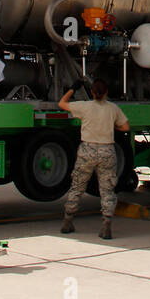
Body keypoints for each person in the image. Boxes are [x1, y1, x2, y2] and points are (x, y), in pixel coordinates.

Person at [57, 78, 130, 240]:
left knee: (77, 186)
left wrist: (72, 89)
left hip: (87, 150)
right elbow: (125, 127)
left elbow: (61, 103)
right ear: (106, 93)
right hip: (106, 150)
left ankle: (68, 221)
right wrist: (112, 126)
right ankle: (106, 224)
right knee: (107, 189)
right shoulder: (113, 109)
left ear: (91, 92)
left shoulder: (84, 106)